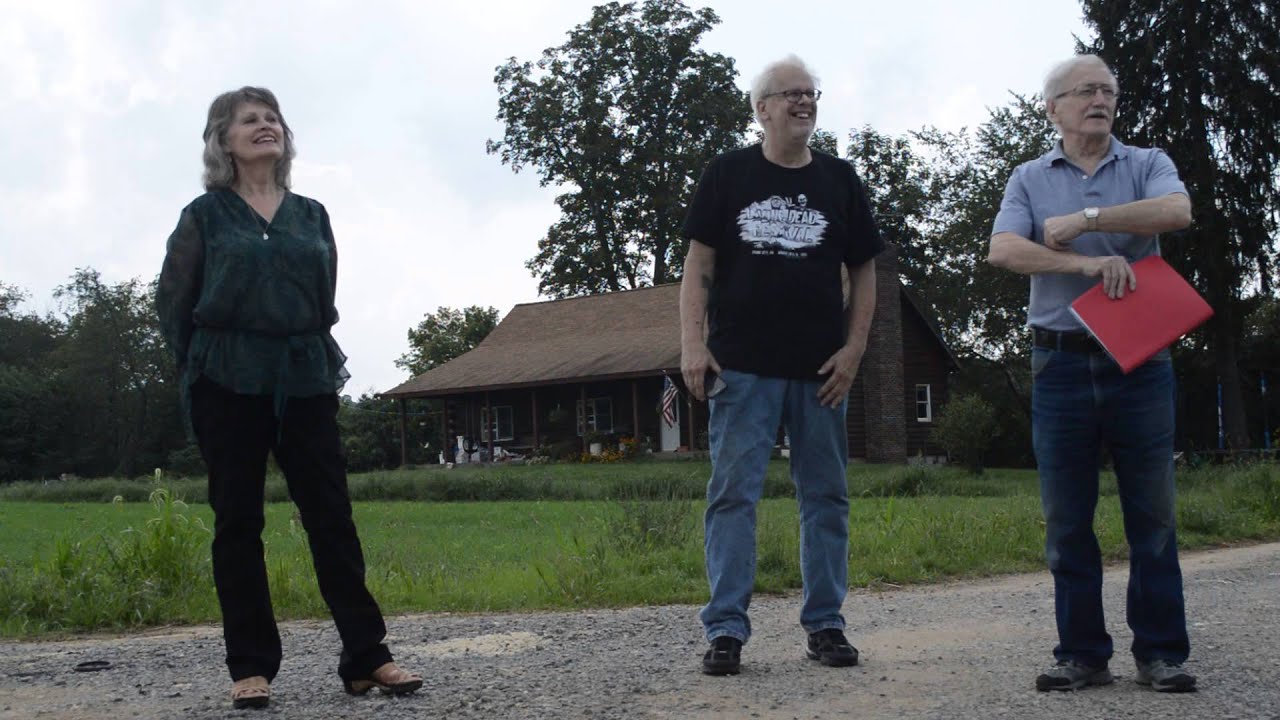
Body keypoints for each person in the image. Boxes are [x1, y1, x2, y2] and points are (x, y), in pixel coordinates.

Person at [156, 87, 422, 709]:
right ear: (223, 140)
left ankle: (366, 657)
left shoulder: (312, 214)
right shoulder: (205, 215)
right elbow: (173, 303)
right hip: (227, 380)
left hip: (304, 376)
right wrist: (199, 368)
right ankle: (251, 665)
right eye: (249, 120)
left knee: (331, 516)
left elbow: (323, 295)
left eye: (272, 117)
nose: (264, 125)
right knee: (238, 522)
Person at [987, 54, 1197, 693]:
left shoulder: (1146, 163)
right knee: (1068, 519)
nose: (1099, 100)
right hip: (1060, 361)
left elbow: (1176, 212)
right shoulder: (1027, 177)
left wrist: (1089, 223)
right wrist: (1084, 266)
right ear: (1052, 108)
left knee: (1153, 515)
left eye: (1107, 90)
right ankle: (1082, 654)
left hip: (1141, 360)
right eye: (1084, 92)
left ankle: (1161, 654)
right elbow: (1003, 248)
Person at [679, 55, 883, 675]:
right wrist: (693, 344)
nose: (804, 102)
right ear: (761, 108)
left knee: (825, 496)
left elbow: (865, 271)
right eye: (790, 94)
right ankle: (725, 632)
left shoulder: (840, 179)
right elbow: (698, 267)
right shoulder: (727, 174)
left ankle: (825, 625)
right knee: (733, 497)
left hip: (821, 372)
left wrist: (854, 350)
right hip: (742, 368)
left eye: (811, 92)